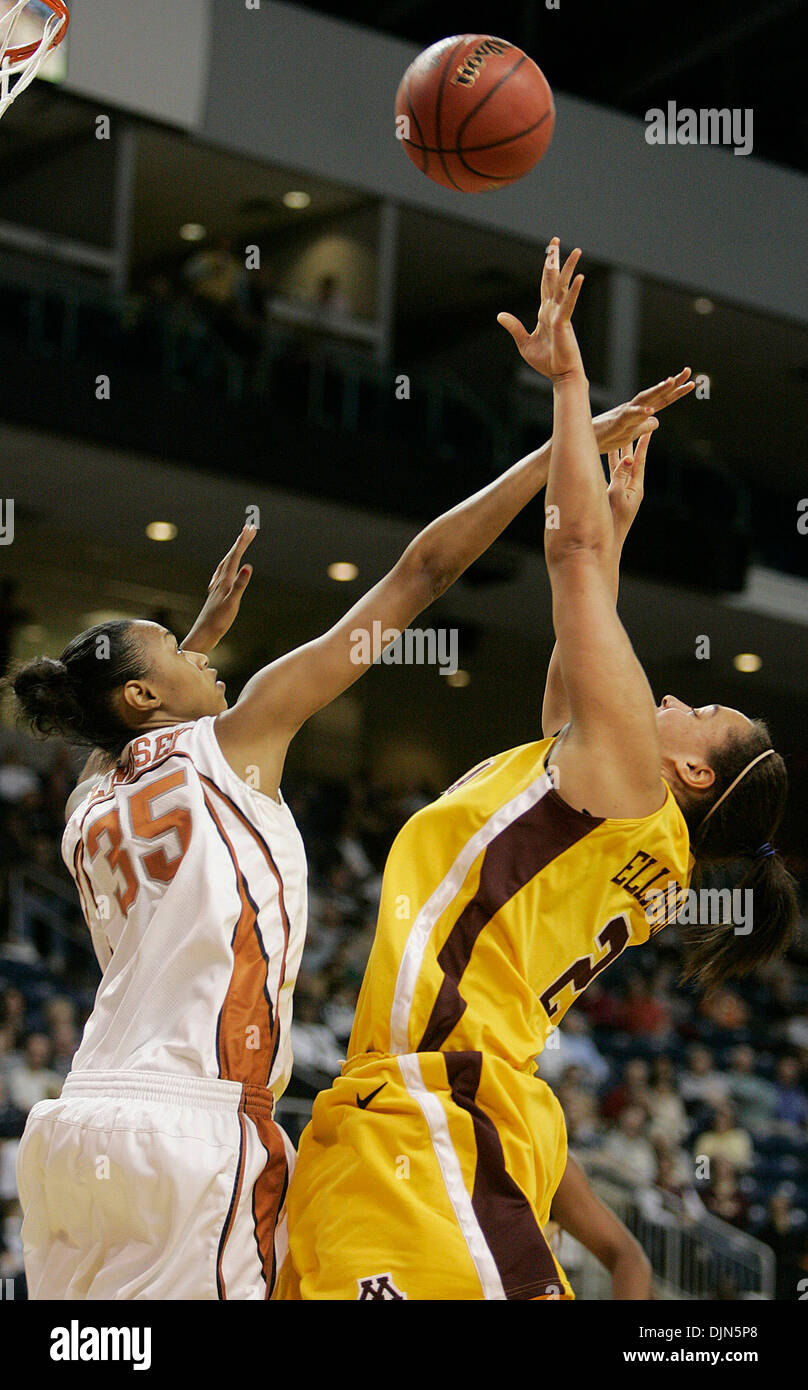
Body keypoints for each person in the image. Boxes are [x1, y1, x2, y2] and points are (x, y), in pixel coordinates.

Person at [4, 353, 675, 1300]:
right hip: (197, 1124)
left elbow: (115, 720)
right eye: (186, 656)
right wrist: (551, 456)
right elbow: (422, 573)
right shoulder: (244, 732)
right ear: (147, 693)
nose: (214, 658)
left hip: (78, 1125)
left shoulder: (88, 796)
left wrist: (184, 642)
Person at [275, 238, 798, 1301]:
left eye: (697, 710)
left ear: (693, 776)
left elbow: (566, 565)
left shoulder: (628, 790)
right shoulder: (618, 812)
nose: (671, 696)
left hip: (442, 1116)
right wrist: (616, 514)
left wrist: (567, 387)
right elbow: (575, 653)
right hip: (422, 1108)